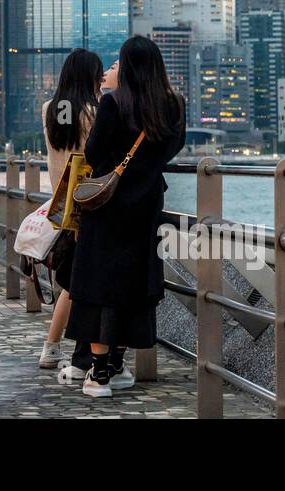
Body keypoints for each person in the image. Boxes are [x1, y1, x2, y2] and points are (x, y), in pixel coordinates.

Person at [66, 35, 186, 399]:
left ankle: (98, 373)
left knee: (99, 284)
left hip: (106, 209)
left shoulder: (112, 103)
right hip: (146, 207)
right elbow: (172, 148)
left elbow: (94, 149)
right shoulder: (173, 106)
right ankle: (117, 365)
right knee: (134, 284)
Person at [38, 49, 104, 377]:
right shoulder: (93, 112)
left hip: (60, 204)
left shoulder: (49, 109)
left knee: (71, 280)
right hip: (88, 204)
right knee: (78, 283)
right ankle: (65, 351)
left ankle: (53, 348)